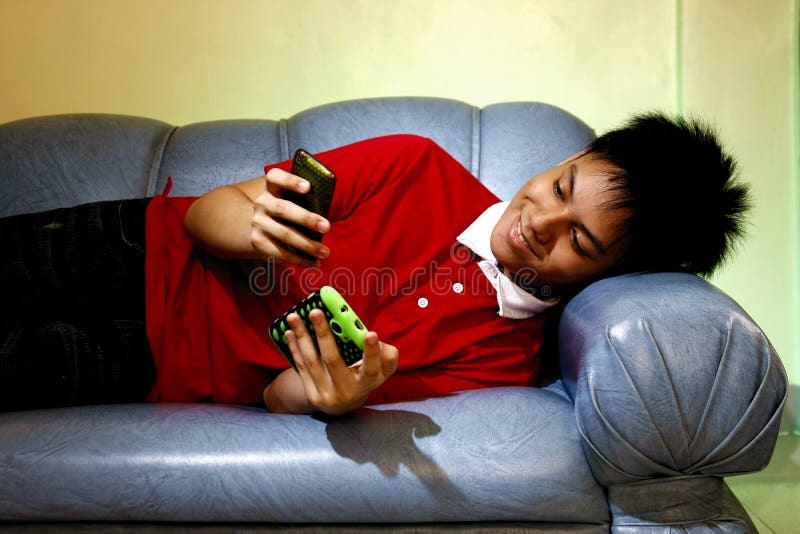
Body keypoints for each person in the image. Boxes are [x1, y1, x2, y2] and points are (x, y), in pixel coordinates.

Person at [0, 112, 750, 414]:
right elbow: (204, 214)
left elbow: (276, 399)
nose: (536, 222)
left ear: (606, 277)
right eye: (558, 187)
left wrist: (330, 396)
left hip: (151, 361)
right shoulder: (416, 166)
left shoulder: (502, 359)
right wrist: (255, 223)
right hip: (133, 246)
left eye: (577, 242)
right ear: (574, 158)